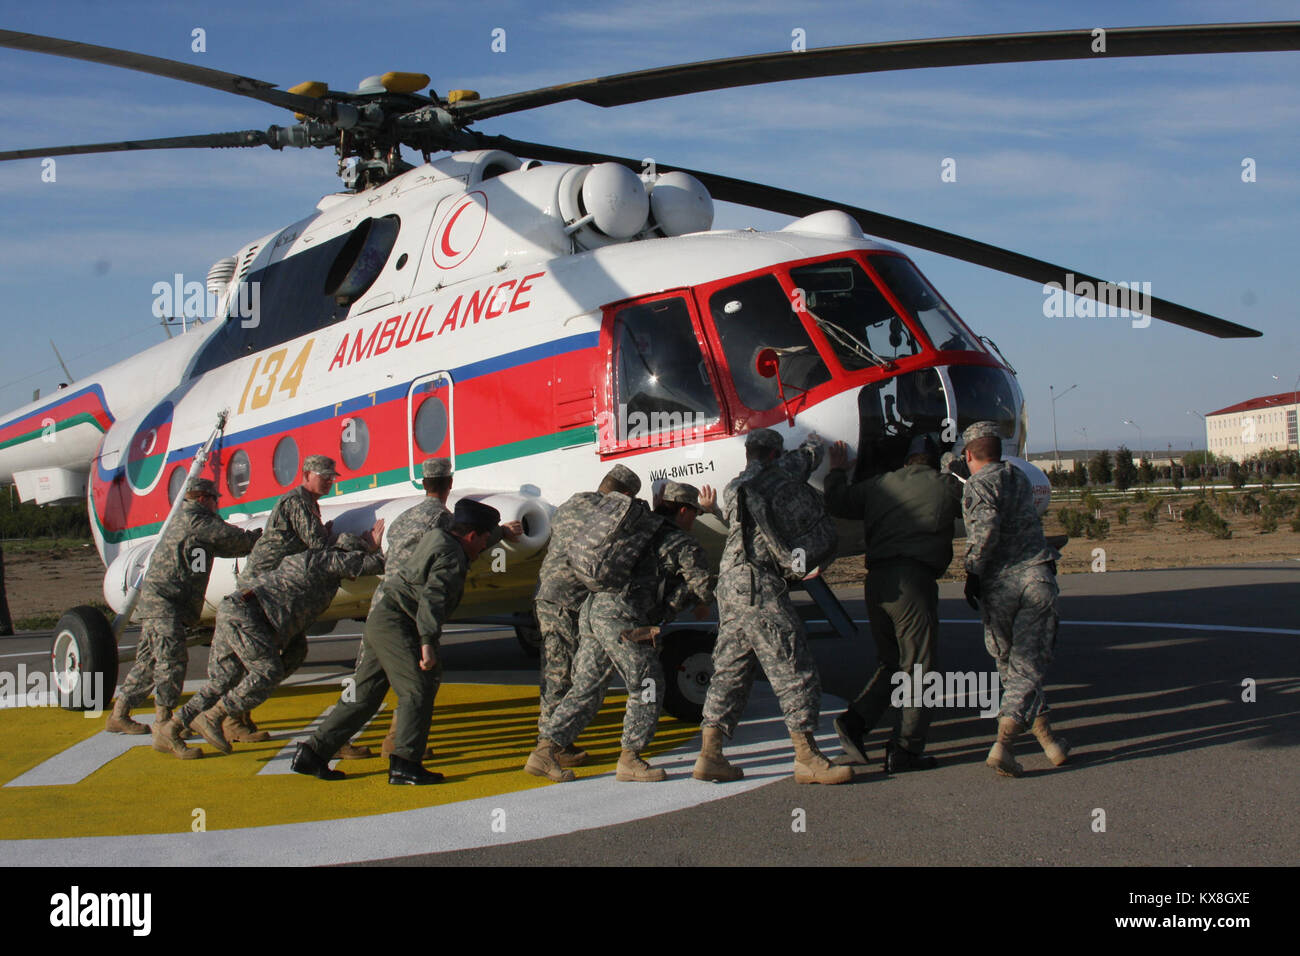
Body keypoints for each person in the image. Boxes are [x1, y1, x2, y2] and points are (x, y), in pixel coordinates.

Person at [292, 499, 502, 785]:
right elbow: (433, 597)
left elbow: (461, 553)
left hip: (383, 618)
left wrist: (501, 534)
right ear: (471, 535)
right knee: (417, 689)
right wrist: (427, 641)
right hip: (398, 623)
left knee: (365, 696)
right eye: (485, 540)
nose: (483, 547)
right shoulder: (452, 556)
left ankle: (313, 753)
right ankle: (405, 762)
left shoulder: (438, 537)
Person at [693, 429, 852, 785]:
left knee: (730, 671)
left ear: (748, 454)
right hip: (758, 582)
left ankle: (710, 755)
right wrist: (813, 441)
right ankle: (807, 756)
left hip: (730, 583)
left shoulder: (735, 488)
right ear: (774, 454)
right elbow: (811, 454)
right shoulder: (778, 471)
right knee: (793, 665)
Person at [526, 481, 713, 783]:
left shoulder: (638, 529)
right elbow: (702, 582)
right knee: (648, 682)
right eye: (694, 514)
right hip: (621, 618)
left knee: (587, 687)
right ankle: (631, 758)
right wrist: (705, 602)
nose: (694, 520)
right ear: (683, 510)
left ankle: (545, 751)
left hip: (593, 609)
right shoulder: (679, 541)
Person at [157, 528, 385, 758]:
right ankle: (213, 716)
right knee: (267, 671)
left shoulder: (313, 559)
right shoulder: (325, 559)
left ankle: (171, 728)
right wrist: (373, 547)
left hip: (241, 611)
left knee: (226, 678)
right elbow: (374, 565)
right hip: (248, 615)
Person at [364, 457, 520, 759]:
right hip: (411, 606)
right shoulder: (444, 520)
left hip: (381, 602)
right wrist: (502, 532)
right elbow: (466, 542)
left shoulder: (402, 517)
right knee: (417, 678)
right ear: (449, 484)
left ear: (423, 484)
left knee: (370, 677)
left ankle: (339, 740)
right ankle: (400, 745)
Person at [824, 435, 961, 772]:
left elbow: (838, 502)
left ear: (907, 461)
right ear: (934, 460)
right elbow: (980, 501)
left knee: (892, 663)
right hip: (914, 582)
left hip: (877, 583)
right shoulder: (946, 486)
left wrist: (837, 470)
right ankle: (906, 749)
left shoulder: (879, 484)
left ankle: (855, 723)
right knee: (919, 668)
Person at [108, 478, 261, 751]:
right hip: (166, 605)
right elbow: (235, 539)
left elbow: (229, 547)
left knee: (149, 661)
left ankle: (119, 715)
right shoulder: (197, 520)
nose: (218, 506)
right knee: (171, 661)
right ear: (204, 498)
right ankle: (164, 722)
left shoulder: (187, 521)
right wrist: (265, 536)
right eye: (216, 500)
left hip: (160, 604)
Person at [960, 421, 1069, 777]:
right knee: (1023, 666)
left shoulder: (978, 483)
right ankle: (1049, 741)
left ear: (968, 454)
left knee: (1015, 666)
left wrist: (973, 570)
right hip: (1036, 578)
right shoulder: (1017, 478)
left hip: (1001, 586)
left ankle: (1004, 744)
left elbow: (986, 527)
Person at [532, 463, 641, 768]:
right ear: (625, 494)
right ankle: (550, 747)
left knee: (557, 666)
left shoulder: (571, 504)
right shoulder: (608, 513)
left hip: (549, 593)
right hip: (568, 599)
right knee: (560, 671)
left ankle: (553, 740)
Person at [229, 453, 337, 743]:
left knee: (292, 651)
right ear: (307, 474)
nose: (329, 480)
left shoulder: (309, 504)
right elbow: (318, 545)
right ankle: (230, 717)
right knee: (261, 660)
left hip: (274, 589)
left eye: (331, 476)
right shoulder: (297, 501)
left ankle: (238, 713)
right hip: (261, 590)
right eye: (324, 475)